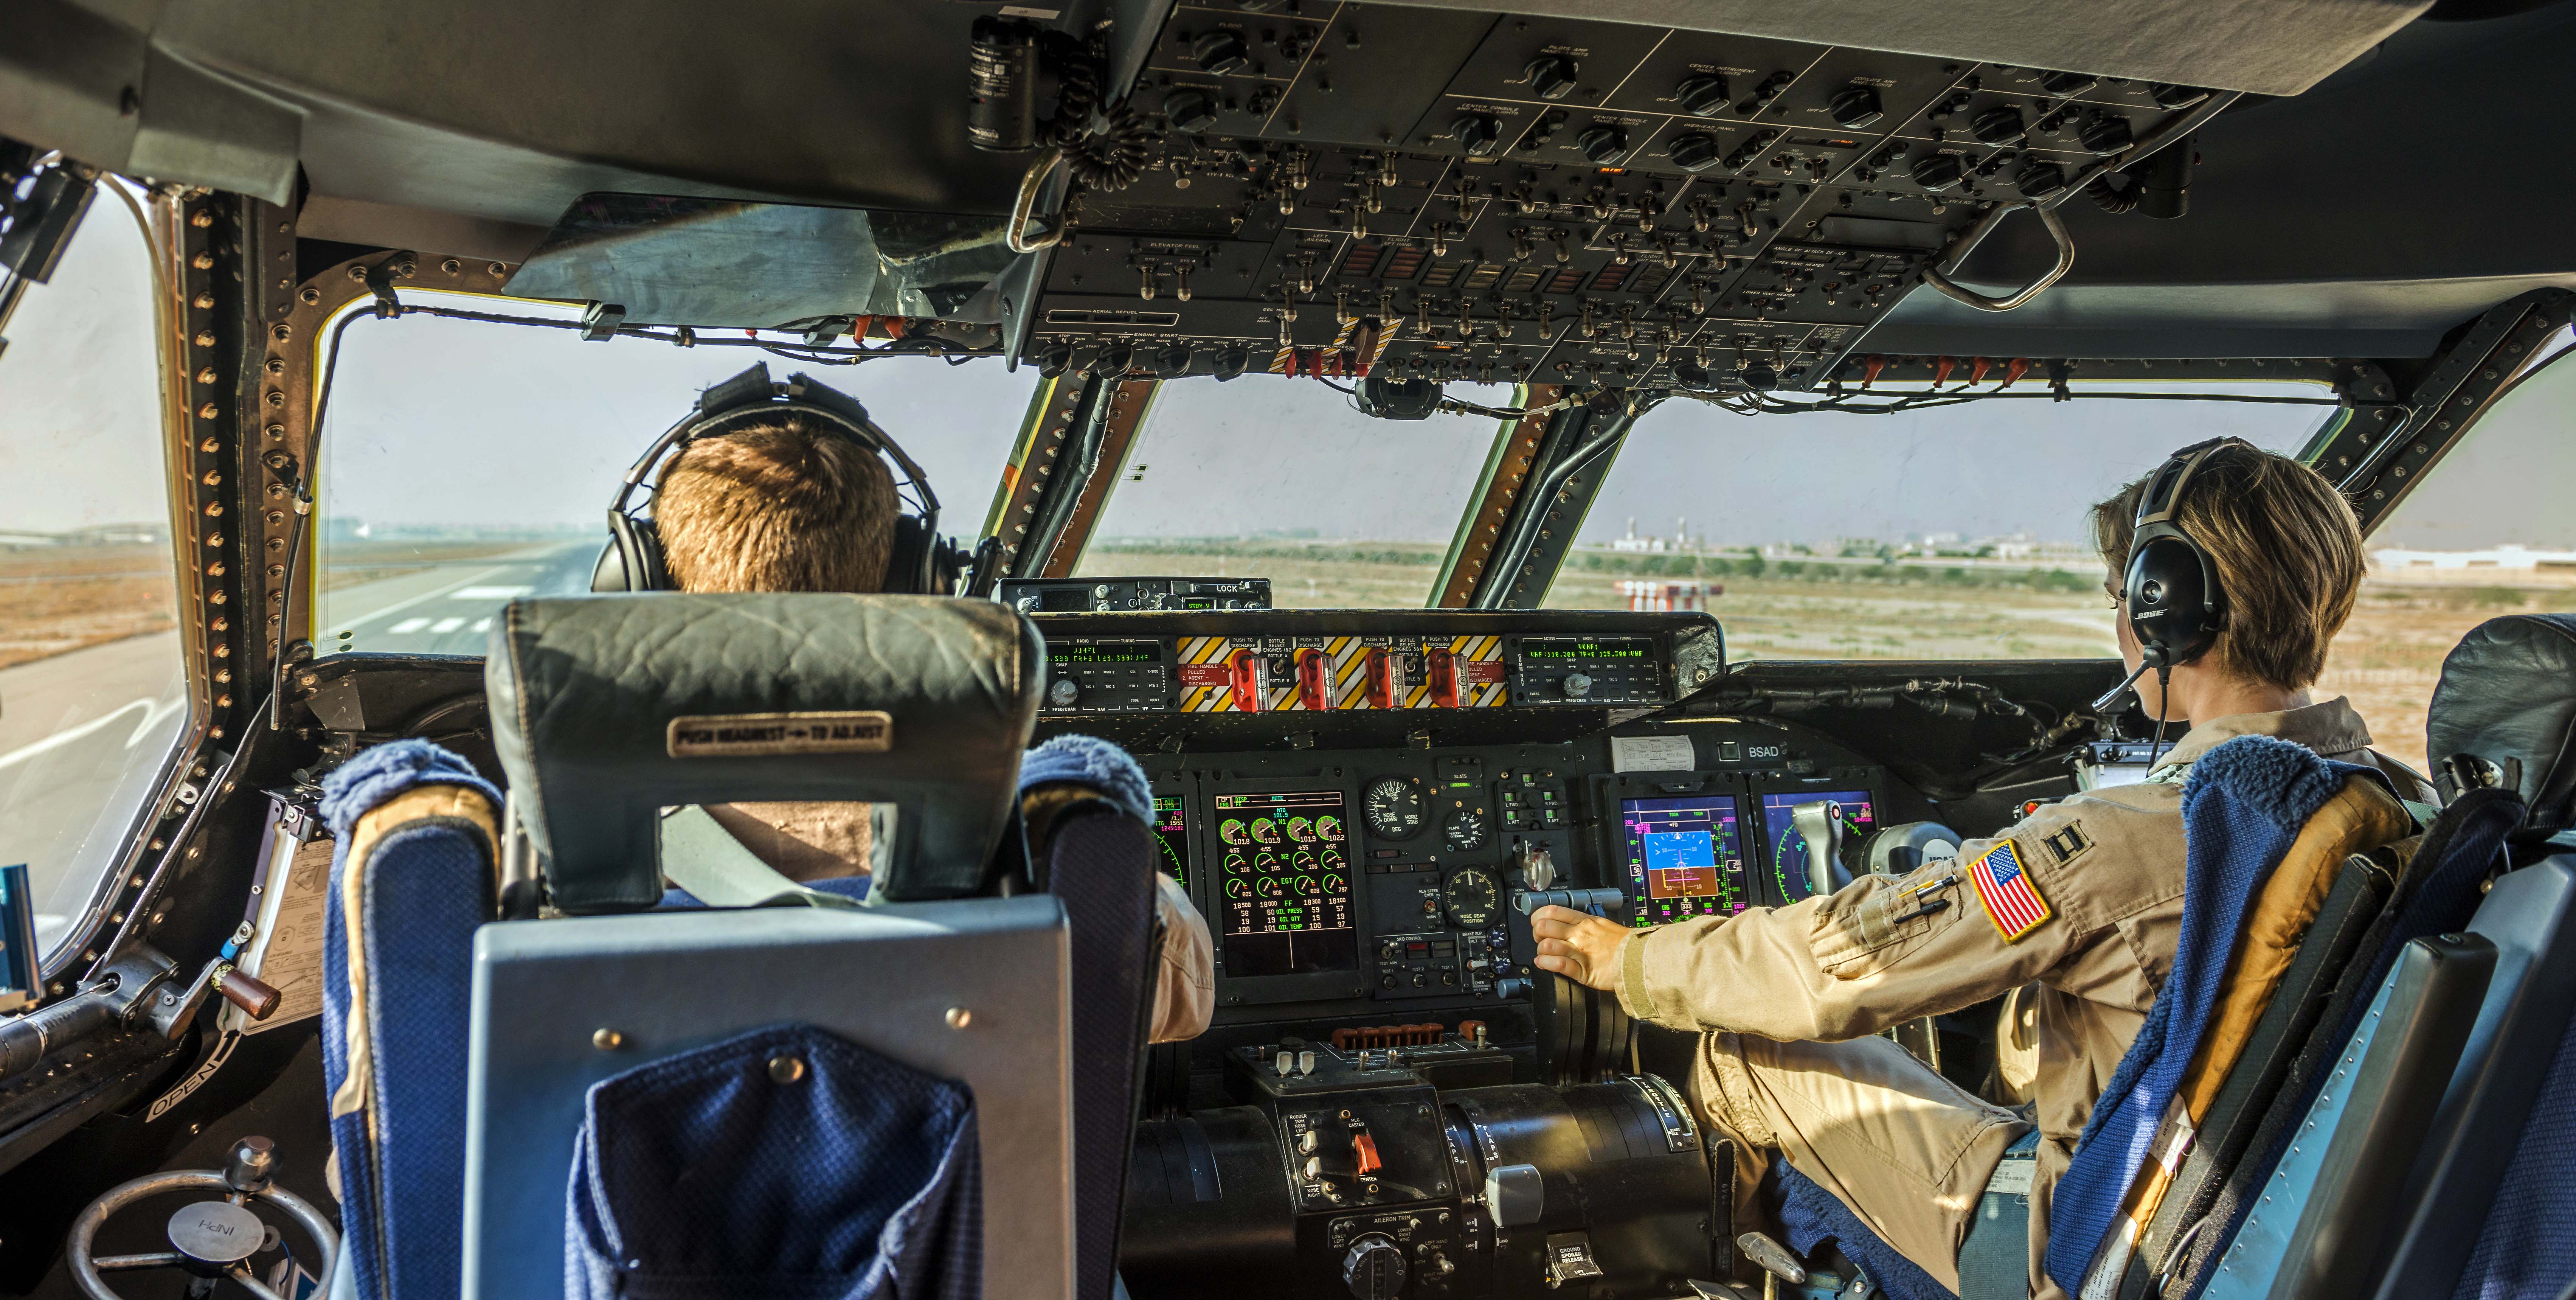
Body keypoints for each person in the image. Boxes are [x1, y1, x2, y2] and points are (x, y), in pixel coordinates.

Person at [1528, 442, 2432, 1298]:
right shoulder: (2398, 808)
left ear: (2168, 609)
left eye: (2125, 594)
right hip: (2262, 1235)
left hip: (2097, 1251)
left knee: (1750, 1053)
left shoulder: (2131, 838)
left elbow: (1831, 967)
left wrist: (1629, 961)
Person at [652, 410, 1214, 1043]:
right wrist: (1119, 862)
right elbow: (1185, 988)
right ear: (916, 583)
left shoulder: (579, 843)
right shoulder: (1029, 840)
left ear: (647, 591)